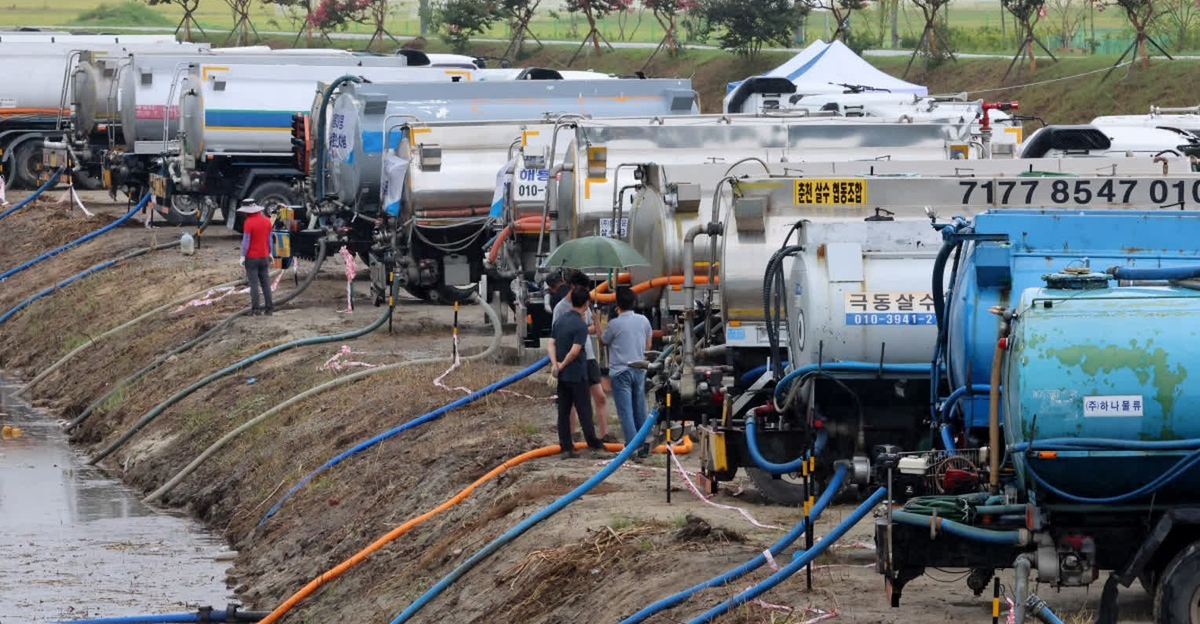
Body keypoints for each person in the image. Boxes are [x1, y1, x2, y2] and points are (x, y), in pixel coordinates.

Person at [548, 286, 610, 459]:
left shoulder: (560, 321)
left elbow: (551, 343)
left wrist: (555, 365)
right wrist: (563, 365)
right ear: (586, 303)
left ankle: (566, 447)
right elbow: (575, 351)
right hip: (577, 374)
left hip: (562, 377)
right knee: (584, 411)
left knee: (563, 411)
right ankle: (594, 445)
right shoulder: (580, 325)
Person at [601, 286, 654, 457]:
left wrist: (597, 322)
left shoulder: (614, 324)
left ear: (618, 304)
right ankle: (644, 445)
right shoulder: (643, 320)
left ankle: (632, 449)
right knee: (640, 408)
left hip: (621, 370)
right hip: (640, 367)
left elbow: (603, 340)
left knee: (626, 411)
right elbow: (649, 345)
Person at [238, 199, 274, 315]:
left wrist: (242, 256)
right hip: (264, 257)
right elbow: (269, 239)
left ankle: (256, 309)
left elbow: (246, 241)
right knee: (266, 283)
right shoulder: (267, 221)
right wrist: (270, 253)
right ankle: (269, 308)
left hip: (251, 258)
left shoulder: (248, 223)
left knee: (254, 284)